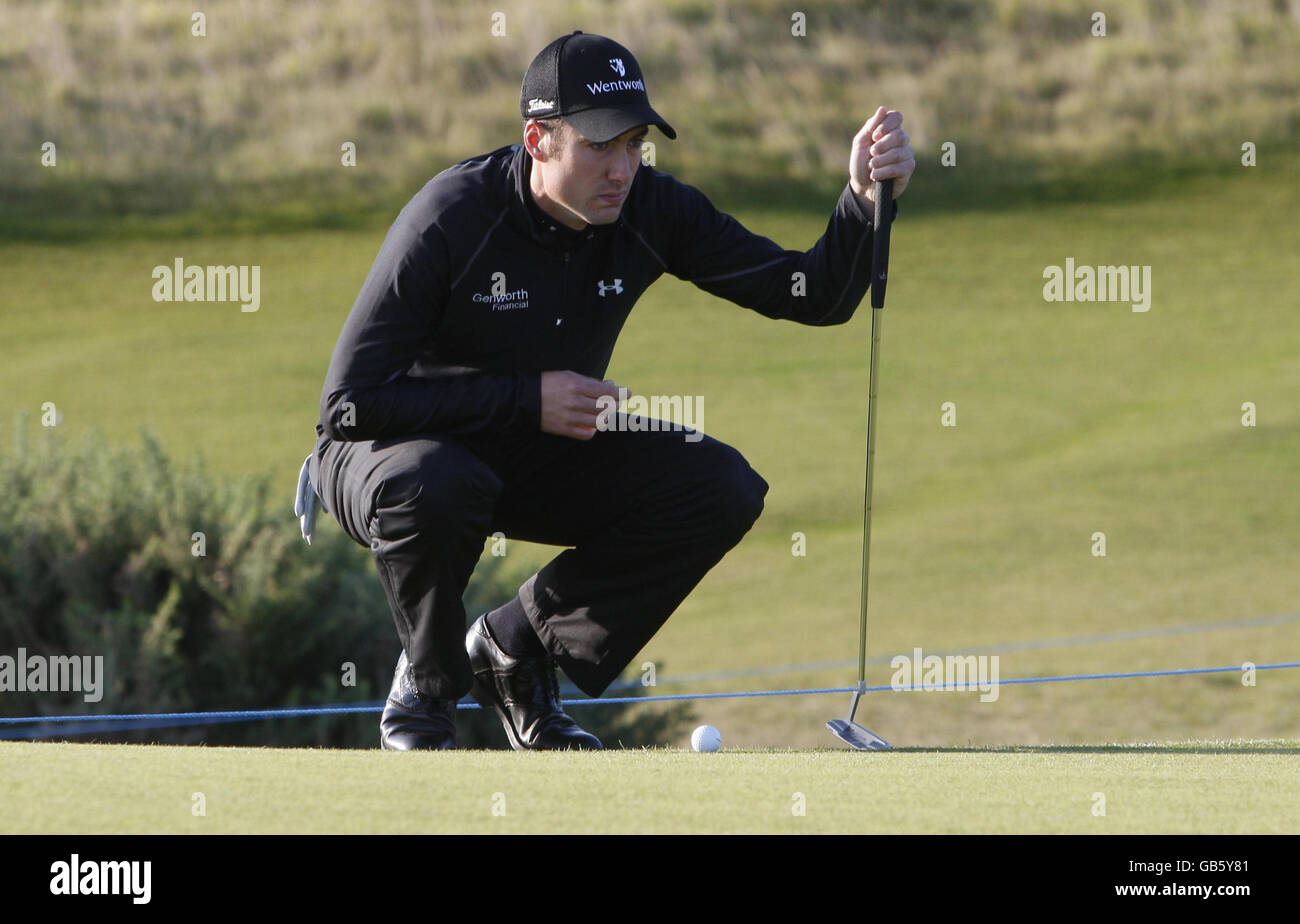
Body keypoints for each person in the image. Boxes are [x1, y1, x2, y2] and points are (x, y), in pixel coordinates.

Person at [305, 30, 915, 750]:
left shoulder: (650, 210)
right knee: (438, 480)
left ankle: (516, 649)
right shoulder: (452, 216)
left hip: (526, 451)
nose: (622, 167)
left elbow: (811, 294)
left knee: (719, 486)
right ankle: (426, 697)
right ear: (538, 139)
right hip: (381, 454)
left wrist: (860, 200)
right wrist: (525, 398)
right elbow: (347, 404)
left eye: (633, 143)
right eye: (599, 145)